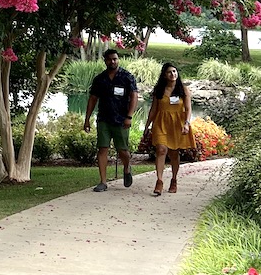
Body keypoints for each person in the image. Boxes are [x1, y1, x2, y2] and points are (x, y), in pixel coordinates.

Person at [83, 48, 138, 192]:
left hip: (121, 119)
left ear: (118, 59)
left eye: (115, 59)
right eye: (109, 59)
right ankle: (103, 182)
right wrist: (87, 119)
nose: (112, 61)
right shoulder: (99, 79)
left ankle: (126, 168)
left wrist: (129, 116)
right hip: (104, 119)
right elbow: (93, 99)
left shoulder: (127, 77)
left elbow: (134, 96)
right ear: (105, 61)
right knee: (102, 148)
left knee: (123, 151)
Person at [144, 62, 195, 196]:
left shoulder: (183, 90)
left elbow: (189, 109)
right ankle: (159, 181)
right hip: (161, 122)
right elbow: (154, 109)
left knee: (174, 153)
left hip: (177, 124)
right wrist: (147, 125)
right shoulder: (159, 90)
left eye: (174, 71)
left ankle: (174, 179)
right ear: (164, 75)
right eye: (169, 72)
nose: (172, 74)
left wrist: (187, 123)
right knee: (161, 149)